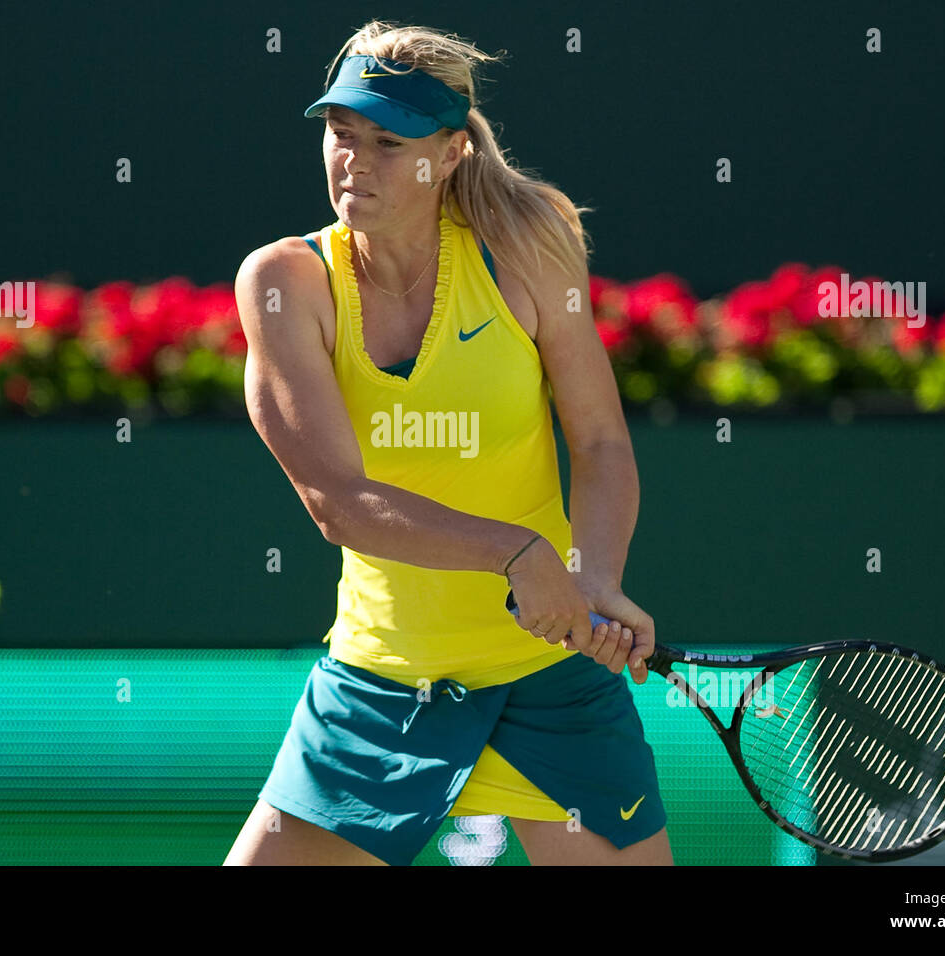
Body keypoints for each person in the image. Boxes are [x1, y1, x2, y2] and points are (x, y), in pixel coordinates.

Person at [225, 20, 672, 866]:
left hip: (551, 683)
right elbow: (337, 502)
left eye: (388, 142)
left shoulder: (528, 248)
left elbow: (603, 442)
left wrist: (595, 576)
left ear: (452, 151)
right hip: (384, 684)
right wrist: (519, 554)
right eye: (340, 133)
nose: (353, 160)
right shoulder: (285, 282)